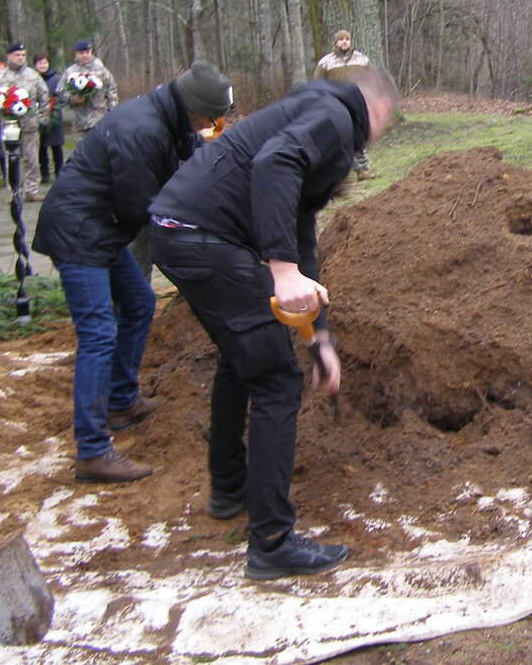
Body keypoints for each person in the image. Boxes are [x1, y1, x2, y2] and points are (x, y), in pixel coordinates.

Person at [148, 68, 398, 580]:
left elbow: (300, 229)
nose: (380, 132)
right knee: (276, 381)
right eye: (386, 122)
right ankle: (270, 542)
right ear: (375, 109)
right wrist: (280, 270)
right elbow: (275, 165)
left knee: (243, 362)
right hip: (204, 237)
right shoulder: (332, 118)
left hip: (177, 232)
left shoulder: (312, 111)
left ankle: (228, 487)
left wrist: (320, 338)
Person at [33, 63, 234, 483]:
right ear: (192, 107)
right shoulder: (141, 129)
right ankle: (91, 451)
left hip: (100, 229)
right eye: (210, 117)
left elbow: (194, 157)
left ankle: (121, 401)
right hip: (79, 231)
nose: (211, 125)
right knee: (98, 333)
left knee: (140, 302)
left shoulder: (168, 118)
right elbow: (138, 207)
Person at [0, 42, 50, 201]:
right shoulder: (0, 76)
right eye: (17, 55)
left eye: (23, 55)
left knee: (31, 159)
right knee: (11, 159)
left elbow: (44, 97)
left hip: (30, 125)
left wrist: (43, 118)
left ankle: (31, 191)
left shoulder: (33, 75)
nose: (20, 58)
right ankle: (14, 192)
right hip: (9, 126)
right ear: (9, 56)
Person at [315, 30, 375, 179]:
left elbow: (371, 80)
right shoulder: (326, 62)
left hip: (357, 103)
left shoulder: (361, 59)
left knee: (358, 137)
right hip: (335, 104)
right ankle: (337, 175)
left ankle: (362, 170)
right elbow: (318, 84)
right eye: (341, 39)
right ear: (336, 42)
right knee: (337, 138)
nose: (344, 42)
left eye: (347, 39)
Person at [57, 39, 118, 142]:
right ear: (75, 54)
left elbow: (112, 90)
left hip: (100, 120)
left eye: (87, 52)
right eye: (81, 53)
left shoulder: (100, 69)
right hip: (80, 124)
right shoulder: (70, 72)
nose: (85, 55)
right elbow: (60, 93)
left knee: (101, 154)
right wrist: (73, 98)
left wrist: (112, 112)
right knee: (82, 156)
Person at [34, 53, 64, 183]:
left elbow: (62, 95)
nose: (43, 65)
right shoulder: (32, 79)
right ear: (35, 65)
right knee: (41, 147)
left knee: (56, 146)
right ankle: (44, 173)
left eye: (45, 63)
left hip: (54, 116)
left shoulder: (56, 79)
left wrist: (54, 105)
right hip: (38, 117)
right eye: (40, 63)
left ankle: (59, 172)